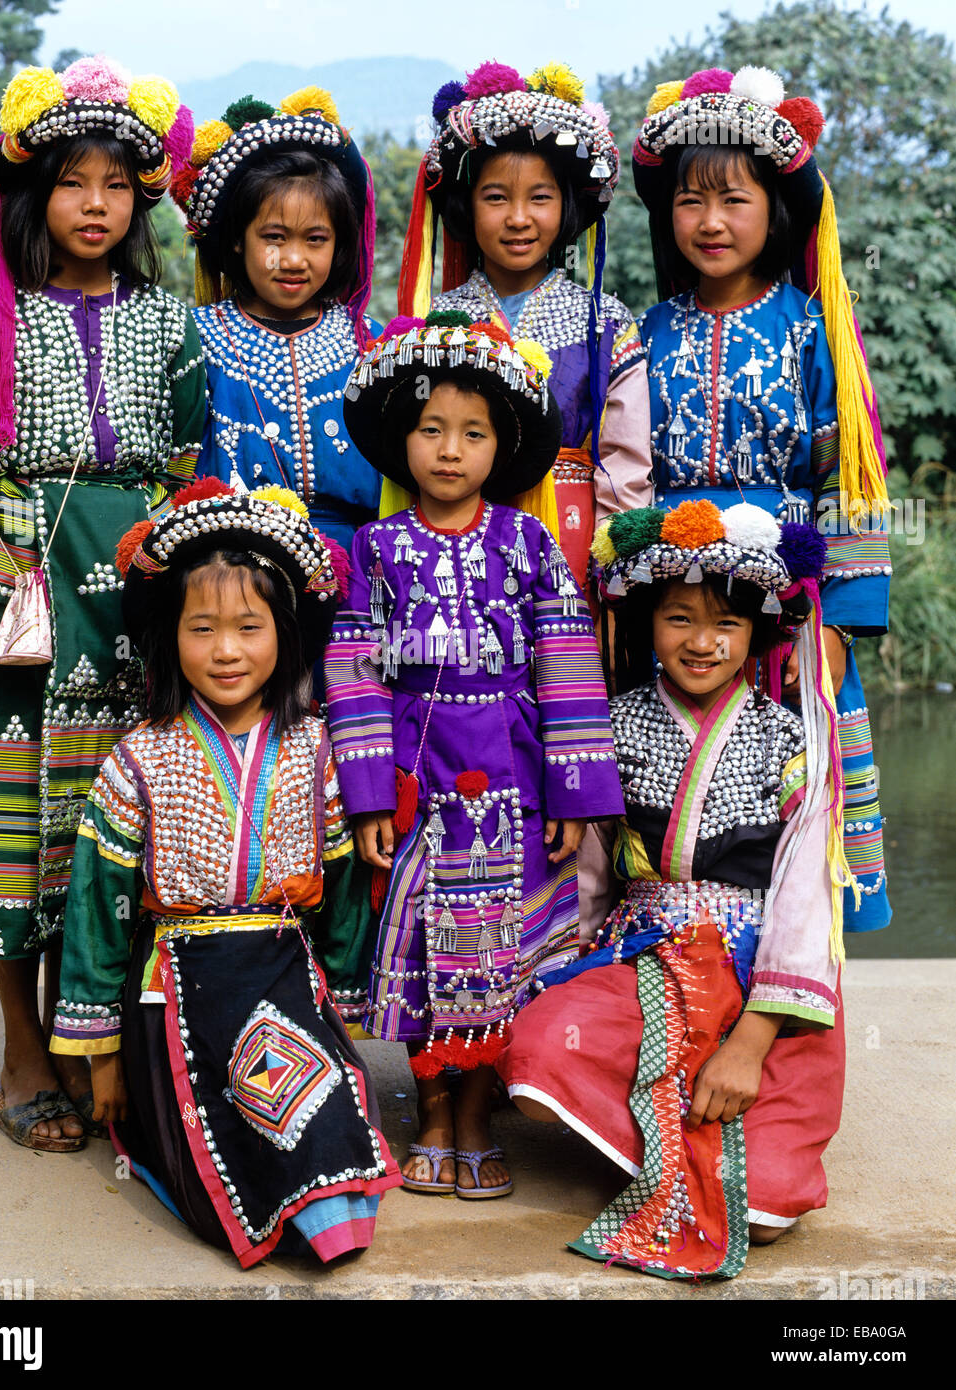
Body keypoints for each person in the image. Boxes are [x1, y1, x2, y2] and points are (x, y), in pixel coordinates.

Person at [0, 56, 206, 1150]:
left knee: (116, 825)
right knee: (16, 826)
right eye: (73, 180)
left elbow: (189, 466)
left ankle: (102, 1045)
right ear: (35, 193)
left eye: (117, 182)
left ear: (141, 199)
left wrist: (156, 564)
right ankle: (24, 1054)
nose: (95, 202)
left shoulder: (171, 326)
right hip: (19, 615)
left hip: (129, 600)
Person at [50, 482, 401, 1267]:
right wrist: (99, 1054)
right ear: (170, 637)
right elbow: (97, 910)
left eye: (249, 627)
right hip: (178, 982)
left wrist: (343, 998)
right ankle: (296, 1205)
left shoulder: (317, 752)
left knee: (323, 1102)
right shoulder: (139, 759)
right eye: (201, 628)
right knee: (247, 1089)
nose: (226, 651)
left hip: (283, 970)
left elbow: (341, 889)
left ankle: (323, 1208)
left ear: (285, 633)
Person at [499, 499, 848, 1278]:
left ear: (755, 633)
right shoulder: (610, 727)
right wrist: (550, 972)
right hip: (640, 954)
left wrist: (751, 1047)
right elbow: (589, 878)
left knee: (767, 1209)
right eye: (678, 618)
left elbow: (803, 904)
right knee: (533, 1059)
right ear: (647, 621)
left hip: (757, 982)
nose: (700, 642)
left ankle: (672, 1138)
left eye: (725, 624)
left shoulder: (792, 739)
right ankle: (669, 1145)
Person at [324, 312, 624, 1198]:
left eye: (473, 433)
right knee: (424, 951)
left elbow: (567, 666)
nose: (449, 450)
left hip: (513, 783)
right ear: (399, 441)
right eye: (430, 430)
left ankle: (475, 1111)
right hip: (422, 788)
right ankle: (430, 1112)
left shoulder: (527, 544)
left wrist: (575, 799)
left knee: (494, 959)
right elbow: (355, 671)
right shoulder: (372, 552)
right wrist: (371, 795)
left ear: (502, 448)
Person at [631, 64, 891, 933]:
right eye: (690, 202)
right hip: (672, 595)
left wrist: (837, 618)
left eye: (733, 200)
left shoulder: (809, 329)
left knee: (795, 787)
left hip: (785, 599)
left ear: (775, 210)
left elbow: (843, 473)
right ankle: (683, 960)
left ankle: (797, 983)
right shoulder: (646, 331)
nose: (709, 222)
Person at [397, 60, 653, 594]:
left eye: (540, 197)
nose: (518, 217)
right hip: (454, 548)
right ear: (467, 206)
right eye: (496, 197)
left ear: (567, 207)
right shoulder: (436, 324)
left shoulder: (605, 322)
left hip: (575, 541)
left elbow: (626, 467)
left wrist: (614, 574)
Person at [172, 87, 382, 555]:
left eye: (315, 239)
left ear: (340, 246)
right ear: (235, 242)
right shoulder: (193, 338)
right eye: (273, 237)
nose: (292, 258)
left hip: (357, 571)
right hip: (230, 565)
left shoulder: (369, 342)